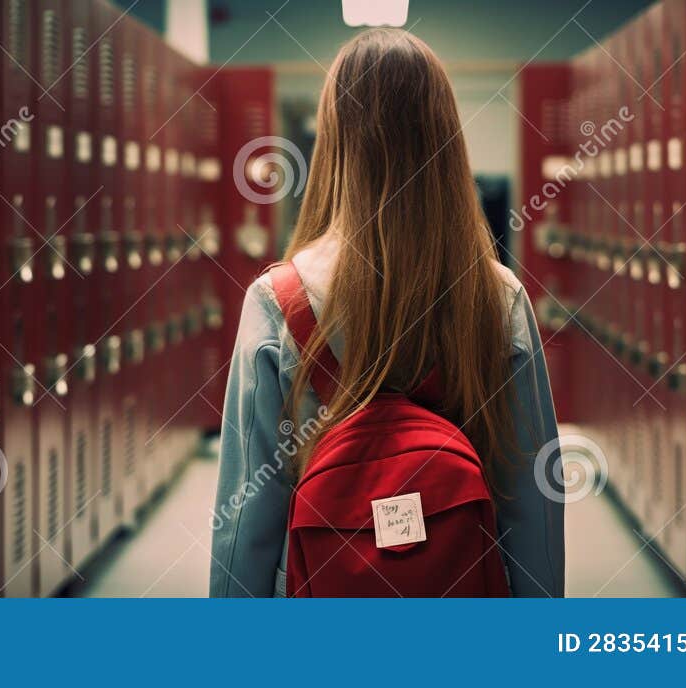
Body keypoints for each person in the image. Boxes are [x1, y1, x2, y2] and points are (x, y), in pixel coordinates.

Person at [210, 28, 563, 597]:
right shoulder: (499, 298)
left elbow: (246, 520)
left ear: (335, 141)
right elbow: (532, 505)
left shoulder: (278, 301)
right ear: (445, 138)